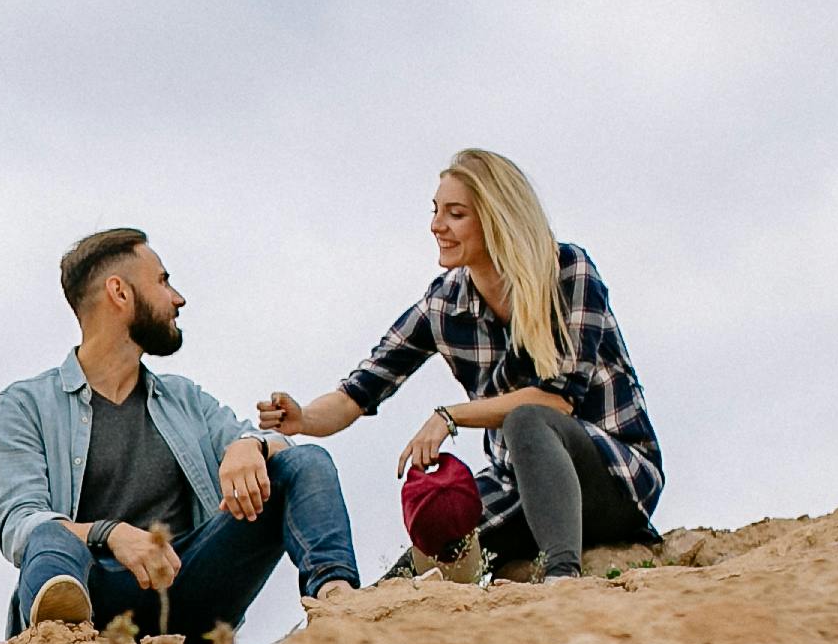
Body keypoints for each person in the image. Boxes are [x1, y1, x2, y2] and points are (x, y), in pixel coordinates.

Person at [255, 150, 667, 579]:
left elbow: (558, 400)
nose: (437, 226)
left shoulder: (566, 270)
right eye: (436, 212)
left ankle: (562, 580)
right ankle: (334, 630)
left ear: (496, 218)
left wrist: (449, 417)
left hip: (614, 476)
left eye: (455, 214)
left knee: (527, 421)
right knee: (418, 563)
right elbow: (357, 393)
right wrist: (303, 419)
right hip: (518, 490)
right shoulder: (444, 304)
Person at [0, 228, 361, 641]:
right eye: (163, 281)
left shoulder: (184, 398)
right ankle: (61, 641)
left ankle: (339, 603)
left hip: (185, 593)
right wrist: (110, 534)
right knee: (49, 536)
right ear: (120, 293)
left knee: (305, 461)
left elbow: (278, 445)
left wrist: (249, 444)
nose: (177, 298)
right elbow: (20, 525)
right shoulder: (23, 406)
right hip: (94, 596)